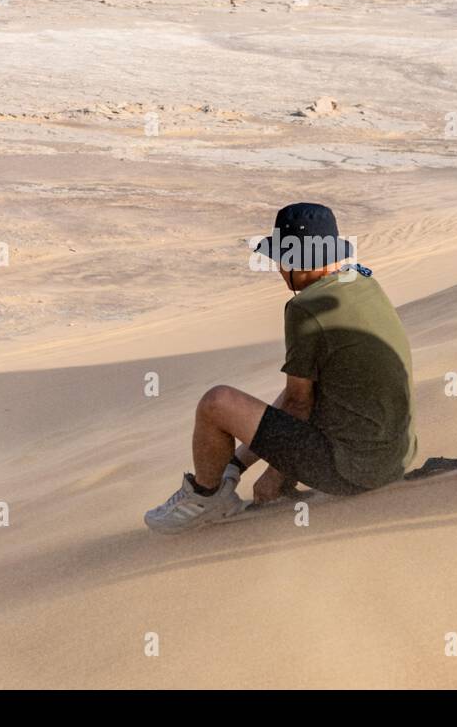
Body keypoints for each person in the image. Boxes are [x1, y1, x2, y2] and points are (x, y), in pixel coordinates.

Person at [144, 202, 418, 534]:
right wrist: (237, 464)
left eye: (281, 258)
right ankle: (229, 479)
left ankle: (206, 497)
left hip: (353, 472)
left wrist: (274, 475)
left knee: (215, 403)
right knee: (311, 391)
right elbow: (307, 395)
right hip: (396, 456)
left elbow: (298, 405)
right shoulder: (364, 282)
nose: (277, 268)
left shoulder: (306, 307)